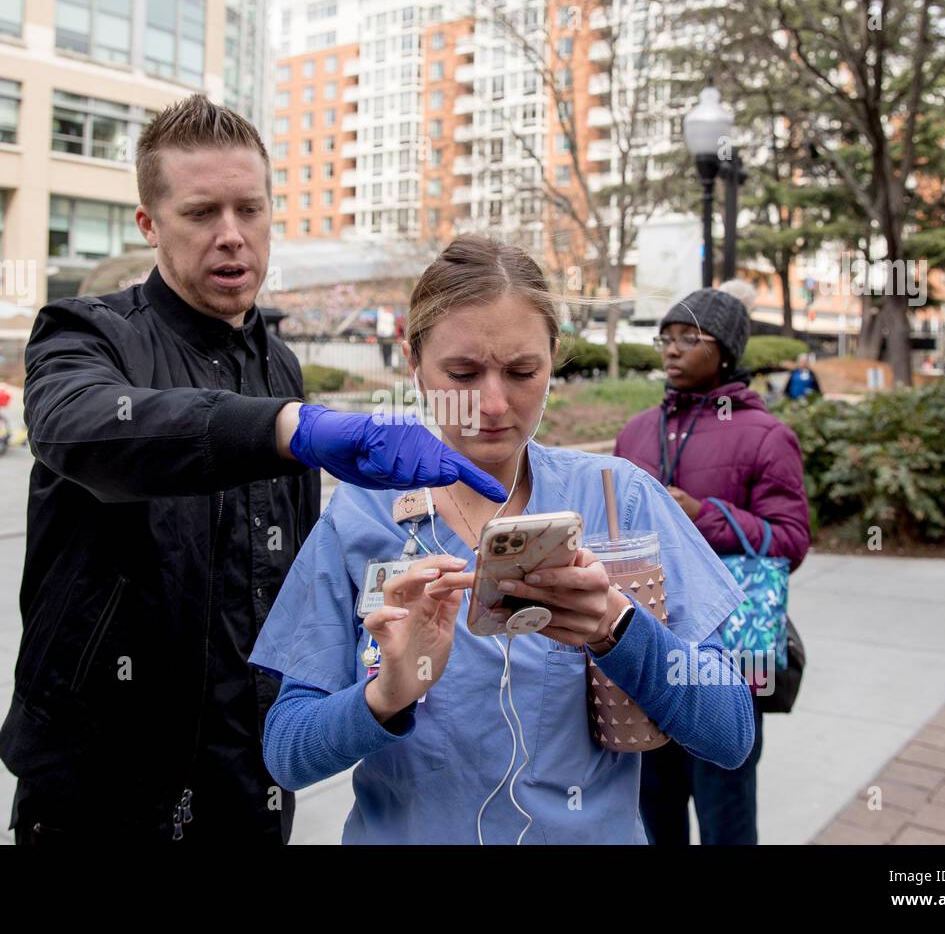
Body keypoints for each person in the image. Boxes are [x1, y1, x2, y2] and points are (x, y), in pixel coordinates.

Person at [0, 95, 506, 845]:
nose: (231, 236)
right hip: (99, 772)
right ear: (149, 223)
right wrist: (286, 426)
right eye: (202, 213)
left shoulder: (278, 361)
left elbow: (290, 574)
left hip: (248, 771)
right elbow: (80, 429)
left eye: (250, 210)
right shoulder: (85, 334)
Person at [249, 236, 755, 844]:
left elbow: (730, 732)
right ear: (413, 362)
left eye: (522, 372)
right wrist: (386, 694)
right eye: (462, 373)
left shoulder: (619, 496)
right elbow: (286, 753)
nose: (492, 404)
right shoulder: (362, 516)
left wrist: (616, 628)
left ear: (554, 357)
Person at [615, 287, 811, 845]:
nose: (671, 351)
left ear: (725, 351)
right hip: (646, 645)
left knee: (726, 810)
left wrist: (703, 517)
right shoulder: (634, 432)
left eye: (689, 339)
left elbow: (791, 540)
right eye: (666, 338)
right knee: (653, 805)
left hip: (731, 653)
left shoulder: (767, 436)